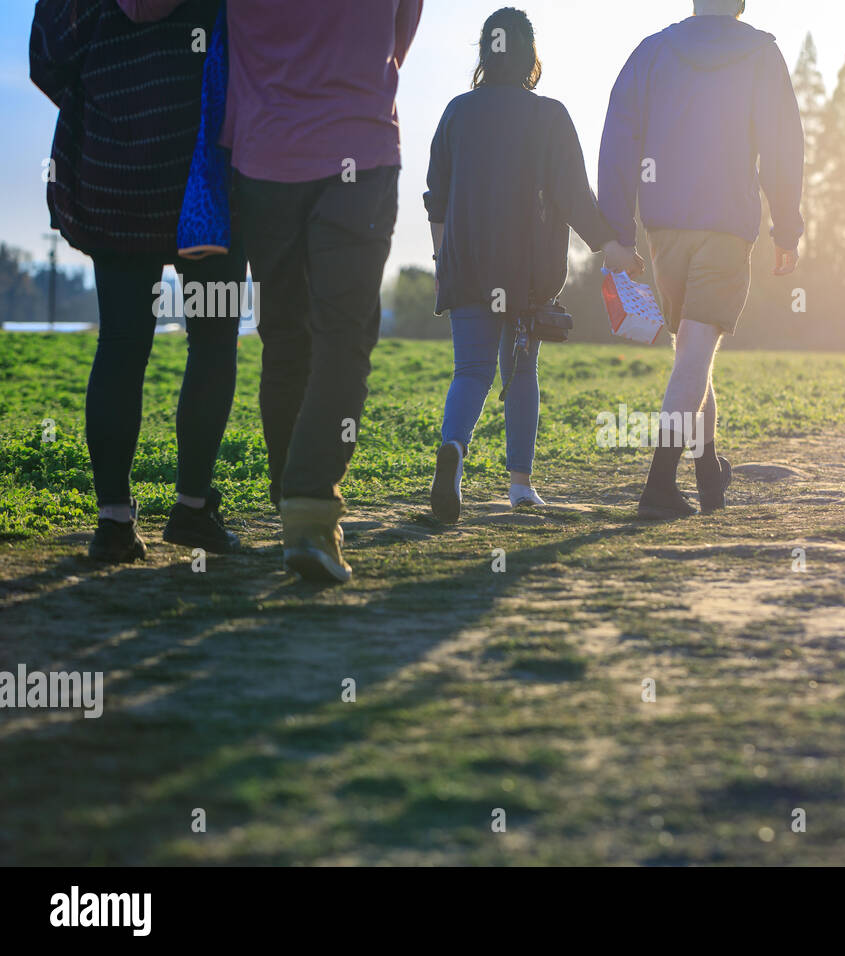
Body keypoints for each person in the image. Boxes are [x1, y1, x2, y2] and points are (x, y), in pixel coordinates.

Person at [30, 0, 247, 564]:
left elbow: (45, 58)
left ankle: (113, 523)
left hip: (116, 180)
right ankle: (193, 508)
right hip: (205, 185)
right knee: (214, 341)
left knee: (121, 345)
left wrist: (111, 104)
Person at [222, 0, 423, 582]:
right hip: (357, 143)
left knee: (285, 336)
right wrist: (359, 75)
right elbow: (401, 29)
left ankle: (295, 503)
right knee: (343, 335)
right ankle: (308, 510)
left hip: (265, 152)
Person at [424, 7, 641, 523]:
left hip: (467, 262)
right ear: (529, 55)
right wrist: (611, 245)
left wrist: (441, 257)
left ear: (485, 54)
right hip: (523, 271)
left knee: (470, 372)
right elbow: (573, 196)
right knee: (520, 371)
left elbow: (437, 197)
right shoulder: (550, 116)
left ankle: (453, 448)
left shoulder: (456, 111)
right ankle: (520, 487)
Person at [598, 0, 804, 519]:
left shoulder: (651, 52)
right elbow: (783, 146)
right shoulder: (761, 54)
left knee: (692, 349)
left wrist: (617, 231)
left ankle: (707, 466)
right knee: (693, 354)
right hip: (726, 225)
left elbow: (617, 141)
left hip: (663, 226)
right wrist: (787, 226)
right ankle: (659, 485)